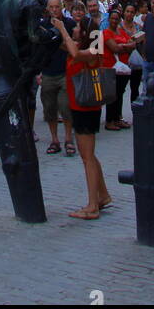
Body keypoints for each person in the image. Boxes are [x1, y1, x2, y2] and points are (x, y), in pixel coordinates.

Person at [53, 14, 111, 218]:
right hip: (80, 107)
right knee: (90, 155)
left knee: (87, 157)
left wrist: (62, 29)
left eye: (77, 27)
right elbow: (65, 47)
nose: (74, 29)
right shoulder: (79, 46)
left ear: (85, 32)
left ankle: (92, 206)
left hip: (85, 108)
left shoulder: (93, 50)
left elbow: (76, 54)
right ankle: (102, 195)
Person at [40, 0, 76, 155]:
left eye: (57, 7)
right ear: (47, 9)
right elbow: (38, 50)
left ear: (62, 7)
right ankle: (54, 140)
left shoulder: (69, 24)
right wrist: (38, 72)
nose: (54, 10)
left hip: (65, 71)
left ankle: (68, 139)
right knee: (49, 108)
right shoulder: (42, 26)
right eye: (51, 7)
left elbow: (74, 48)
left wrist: (61, 30)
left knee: (65, 106)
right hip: (48, 72)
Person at [102, 5, 134, 129]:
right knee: (112, 95)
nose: (114, 21)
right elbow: (114, 48)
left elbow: (133, 44)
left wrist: (124, 46)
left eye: (117, 19)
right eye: (112, 19)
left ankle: (117, 118)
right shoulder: (105, 32)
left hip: (123, 69)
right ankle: (109, 121)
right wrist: (126, 46)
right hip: (111, 68)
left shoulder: (121, 32)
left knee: (119, 94)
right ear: (109, 19)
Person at [122, 0, 145, 103]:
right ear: (124, 12)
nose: (129, 14)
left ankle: (135, 113)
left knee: (135, 88)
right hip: (123, 61)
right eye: (127, 11)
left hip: (136, 62)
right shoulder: (119, 27)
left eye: (132, 12)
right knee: (120, 88)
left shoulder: (138, 27)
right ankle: (119, 116)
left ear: (135, 13)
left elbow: (144, 42)